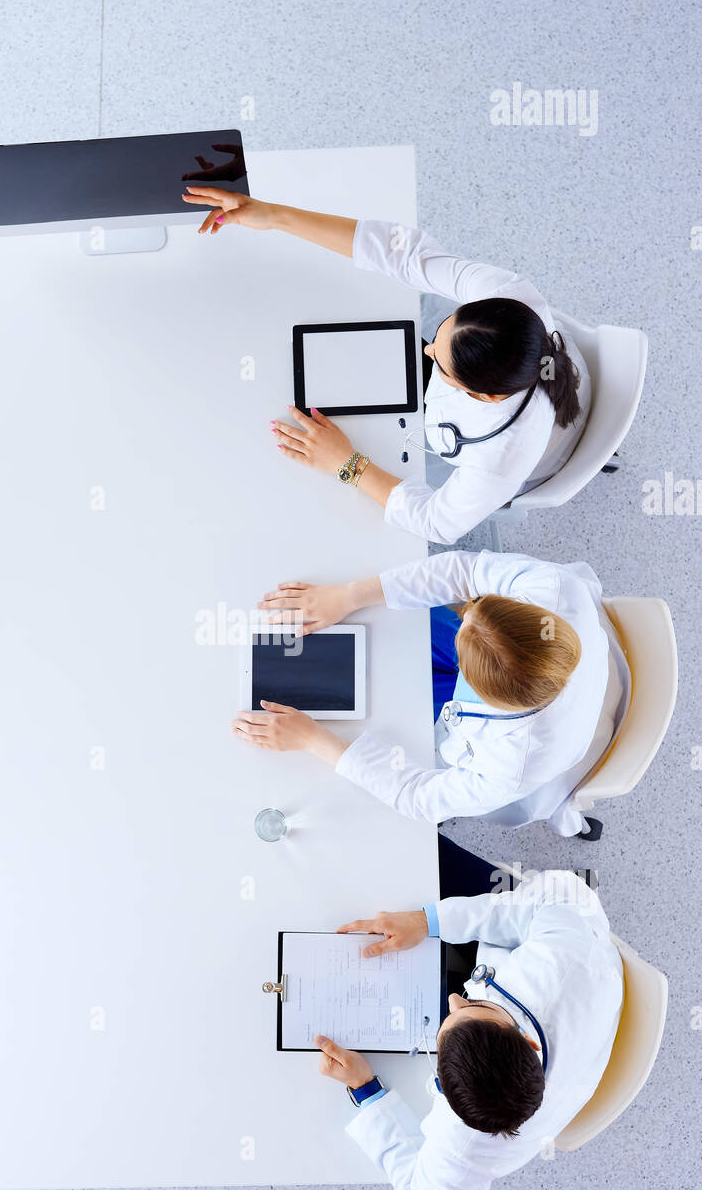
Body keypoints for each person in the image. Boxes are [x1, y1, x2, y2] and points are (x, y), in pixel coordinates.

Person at [181, 186, 590, 545]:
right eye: (445, 332)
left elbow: (436, 523)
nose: (427, 352)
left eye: (442, 368)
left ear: (486, 396)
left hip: (522, 451)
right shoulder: (509, 295)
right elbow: (404, 253)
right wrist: (271, 214)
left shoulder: (499, 458)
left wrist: (348, 465)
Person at [314, 834, 623, 1190]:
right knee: (418, 848)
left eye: (444, 1036)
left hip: (558, 1025)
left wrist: (366, 1091)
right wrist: (429, 921)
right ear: (526, 1038)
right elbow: (565, 891)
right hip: (545, 949)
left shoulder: (466, 1144)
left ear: (444, 1089)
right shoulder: (562, 961)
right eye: (476, 1006)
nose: (453, 1001)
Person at [232, 548, 629, 835]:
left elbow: (418, 796)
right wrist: (348, 596)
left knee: (395, 707)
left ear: (482, 693)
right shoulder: (555, 592)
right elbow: (463, 571)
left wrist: (314, 740)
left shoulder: (512, 763)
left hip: (557, 744)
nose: (463, 615)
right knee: (401, 629)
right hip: (538, 668)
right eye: (473, 611)